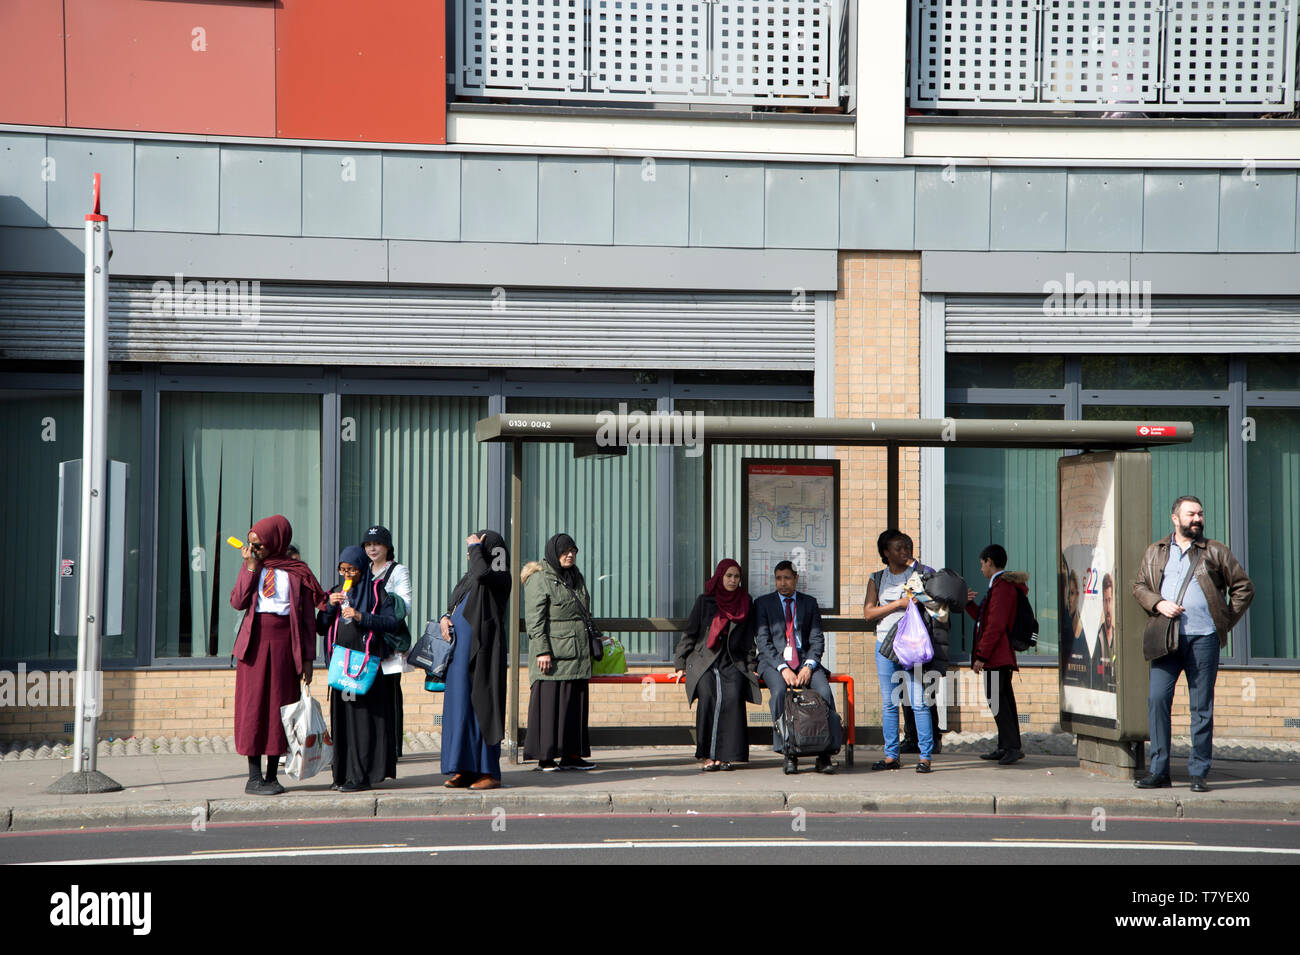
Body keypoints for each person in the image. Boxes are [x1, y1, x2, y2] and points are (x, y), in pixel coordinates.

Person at [1132, 496, 1253, 793]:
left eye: (1200, 513)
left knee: (1201, 708)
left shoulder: (1215, 551)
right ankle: (1159, 771)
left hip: (1204, 640)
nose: (1197, 518)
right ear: (1176, 519)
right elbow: (1139, 587)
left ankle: (1198, 773)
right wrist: (1158, 603)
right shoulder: (1156, 551)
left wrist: (1222, 621)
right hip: (1166, 639)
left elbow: (1243, 588)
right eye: (1191, 514)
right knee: (1157, 701)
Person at [230, 514, 327, 795]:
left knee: (281, 708)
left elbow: (308, 620)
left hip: (286, 644)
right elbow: (238, 601)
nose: (255, 550)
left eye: (259, 545)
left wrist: (308, 660)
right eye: (252, 545)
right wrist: (250, 567)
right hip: (255, 644)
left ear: (276, 541)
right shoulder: (252, 566)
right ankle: (253, 777)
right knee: (253, 708)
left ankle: (272, 776)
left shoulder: (297, 571)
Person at [317, 544, 401, 792]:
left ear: (362, 569)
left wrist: (360, 616)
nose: (347, 576)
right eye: (343, 570)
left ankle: (361, 775)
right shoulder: (335, 591)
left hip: (365, 669)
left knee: (362, 723)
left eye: (352, 570)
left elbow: (391, 623)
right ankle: (341, 774)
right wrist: (329, 605)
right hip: (340, 669)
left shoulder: (377, 592)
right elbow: (321, 627)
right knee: (342, 721)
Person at [439, 530, 512, 791]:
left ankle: (488, 771)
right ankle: (463, 768)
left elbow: (483, 573)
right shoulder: (469, 577)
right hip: (460, 656)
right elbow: (454, 604)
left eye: (480, 547)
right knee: (460, 711)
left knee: (483, 708)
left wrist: (474, 548)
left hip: (484, 654)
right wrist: (445, 618)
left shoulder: (499, 575)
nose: (472, 552)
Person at [754, 560, 842, 774]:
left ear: (795, 579)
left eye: (786, 578)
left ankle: (825, 755)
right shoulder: (763, 603)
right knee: (780, 694)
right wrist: (783, 668)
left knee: (824, 694)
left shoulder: (808, 603)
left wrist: (809, 666)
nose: (782, 583)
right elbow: (763, 642)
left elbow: (817, 639)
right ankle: (788, 752)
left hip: (805, 662)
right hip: (773, 664)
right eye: (778, 578)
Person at [673, 559, 762, 771]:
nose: (732, 580)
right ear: (720, 576)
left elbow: (749, 638)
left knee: (732, 698)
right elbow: (690, 632)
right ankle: (707, 755)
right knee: (708, 696)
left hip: (732, 660)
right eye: (729, 576)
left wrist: (751, 665)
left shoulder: (745, 601)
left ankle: (726, 755)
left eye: (736, 576)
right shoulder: (705, 601)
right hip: (705, 659)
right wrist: (680, 663)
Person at [863, 530, 937, 773]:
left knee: (918, 700)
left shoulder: (918, 574)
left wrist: (915, 568)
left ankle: (925, 756)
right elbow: (868, 613)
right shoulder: (877, 578)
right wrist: (897, 604)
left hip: (911, 645)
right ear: (886, 552)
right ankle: (890, 755)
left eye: (907, 547)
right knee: (889, 703)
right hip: (885, 646)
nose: (904, 551)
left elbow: (935, 592)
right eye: (898, 548)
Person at [522, 533, 596, 771]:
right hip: (553, 655)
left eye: (573, 550)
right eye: (565, 551)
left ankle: (572, 755)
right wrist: (542, 651)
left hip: (578, 653)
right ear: (555, 553)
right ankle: (546, 757)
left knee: (574, 705)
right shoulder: (539, 579)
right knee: (550, 705)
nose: (570, 555)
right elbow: (534, 620)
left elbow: (582, 610)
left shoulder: (576, 576)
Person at [963, 544, 1027, 766]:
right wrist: (968, 604)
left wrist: (981, 655)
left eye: (982, 564)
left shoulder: (1001, 588)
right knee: (1003, 701)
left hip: (997, 657)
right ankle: (1006, 746)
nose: (981, 568)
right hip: (999, 655)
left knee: (998, 702)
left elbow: (995, 626)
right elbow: (985, 620)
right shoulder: (999, 587)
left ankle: (1011, 747)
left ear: (989, 561)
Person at [361, 525, 412, 758]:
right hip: (367, 640)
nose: (372, 548)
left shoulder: (398, 571)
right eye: (368, 544)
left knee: (390, 693)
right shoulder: (362, 569)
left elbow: (404, 606)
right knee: (369, 691)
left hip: (389, 641)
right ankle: (372, 743)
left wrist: (377, 604)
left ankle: (393, 747)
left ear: (387, 547)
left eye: (377, 544)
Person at [1061, 570, 1089, 687]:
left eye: (1071, 593)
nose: (1069, 599)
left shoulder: (1085, 633)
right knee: (996, 703)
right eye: (1067, 594)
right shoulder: (1064, 629)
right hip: (1067, 684)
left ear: (1078, 595)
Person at [1093, 574, 1117, 692]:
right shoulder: (1097, 638)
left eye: (1109, 600)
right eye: (1105, 601)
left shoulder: (1119, 637)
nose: (1107, 607)